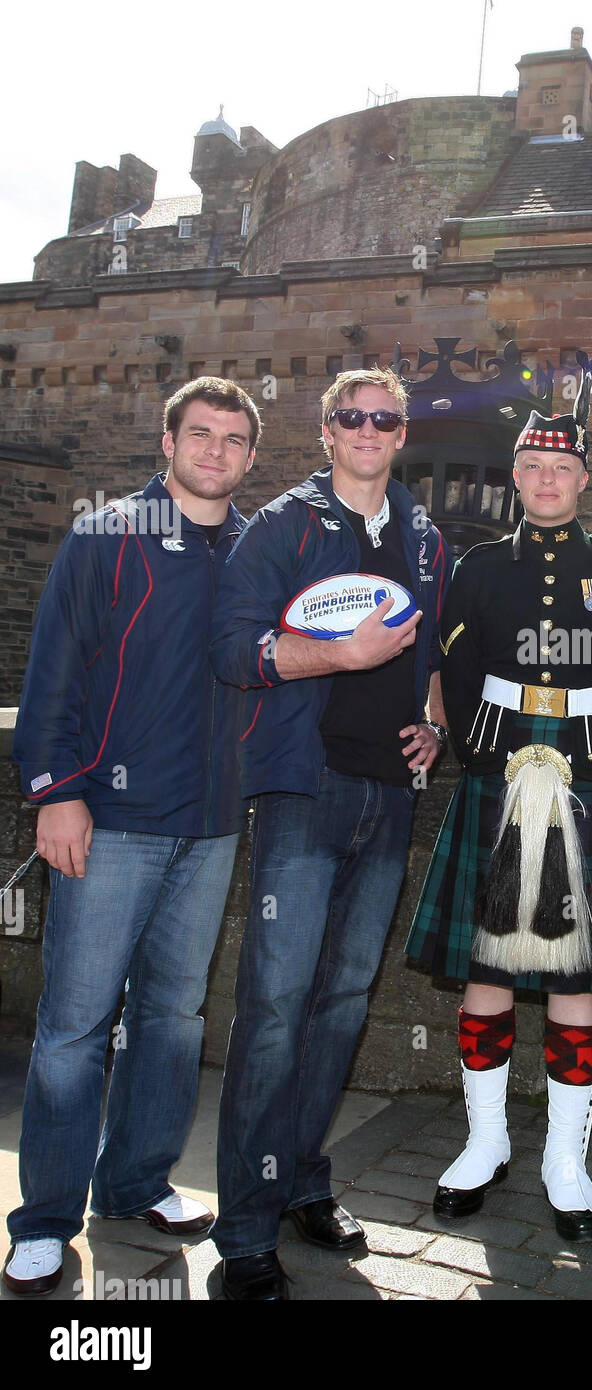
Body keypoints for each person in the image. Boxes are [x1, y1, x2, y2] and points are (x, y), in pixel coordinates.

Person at [4, 377, 259, 1297]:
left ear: (250, 455)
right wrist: (55, 792)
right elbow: (55, 671)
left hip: (212, 822)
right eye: (202, 434)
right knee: (74, 1026)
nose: (216, 451)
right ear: (169, 440)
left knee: (172, 1017)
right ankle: (41, 1221)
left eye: (234, 439)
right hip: (109, 820)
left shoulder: (255, 548)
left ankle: (137, 1181)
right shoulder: (103, 536)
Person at [208, 367, 450, 1300]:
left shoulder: (425, 536)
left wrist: (432, 721)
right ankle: (241, 1232)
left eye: (384, 419)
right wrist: (334, 655)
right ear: (327, 430)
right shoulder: (282, 526)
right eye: (352, 416)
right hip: (305, 790)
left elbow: (431, 653)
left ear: (400, 435)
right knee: (274, 1006)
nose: (367, 429)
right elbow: (234, 647)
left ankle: (303, 1178)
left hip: (388, 795)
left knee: (344, 1000)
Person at [406, 358, 592, 1241]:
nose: (547, 481)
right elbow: (447, 665)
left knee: (572, 979)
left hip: (588, 776)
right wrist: (478, 751)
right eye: (533, 468)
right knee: (485, 973)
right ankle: (485, 1142)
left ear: (583, 479)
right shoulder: (477, 567)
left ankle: (566, 1158)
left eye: (562, 470)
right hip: (498, 773)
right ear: (516, 476)